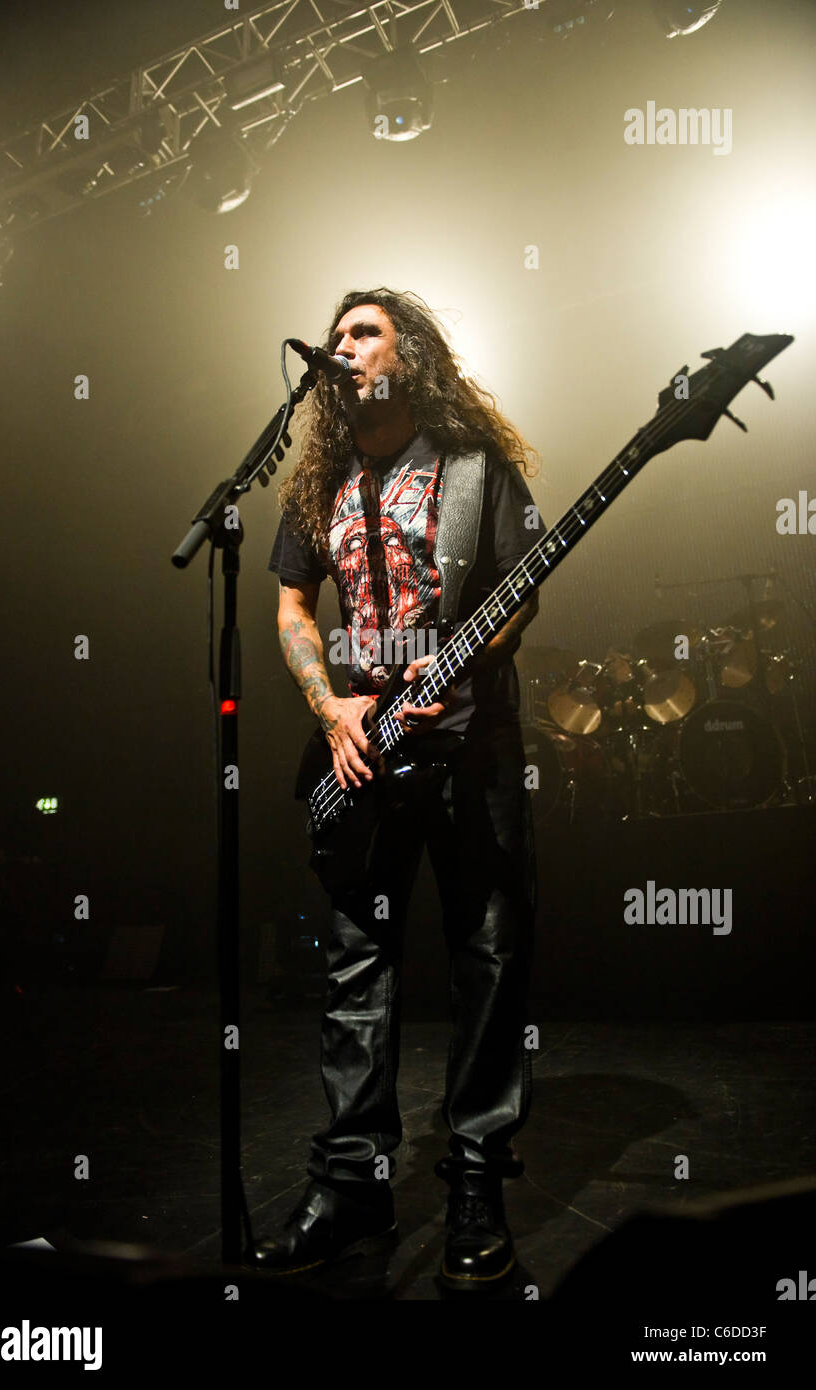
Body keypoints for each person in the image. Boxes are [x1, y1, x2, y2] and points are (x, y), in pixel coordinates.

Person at [253, 288, 546, 1291]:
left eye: (364, 331)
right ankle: (348, 1186)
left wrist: (456, 672)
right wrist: (327, 703)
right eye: (335, 336)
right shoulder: (319, 481)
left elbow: (522, 586)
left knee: (487, 956)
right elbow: (292, 598)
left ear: (410, 354)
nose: (343, 346)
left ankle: (473, 1180)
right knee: (354, 974)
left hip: (470, 742)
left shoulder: (473, 466)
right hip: (364, 748)